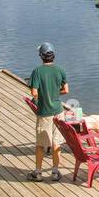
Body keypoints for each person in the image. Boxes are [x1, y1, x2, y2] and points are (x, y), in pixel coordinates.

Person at [28, 42, 69, 181]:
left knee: (41, 144)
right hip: (58, 111)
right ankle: (55, 172)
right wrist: (53, 94)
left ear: (41, 56)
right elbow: (66, 90)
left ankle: (38, 173)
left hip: (44, 112)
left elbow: (34, 92)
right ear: (54, 55)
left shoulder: (37, 71)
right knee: (57, 143)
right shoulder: (60, 70)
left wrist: (43, 95)